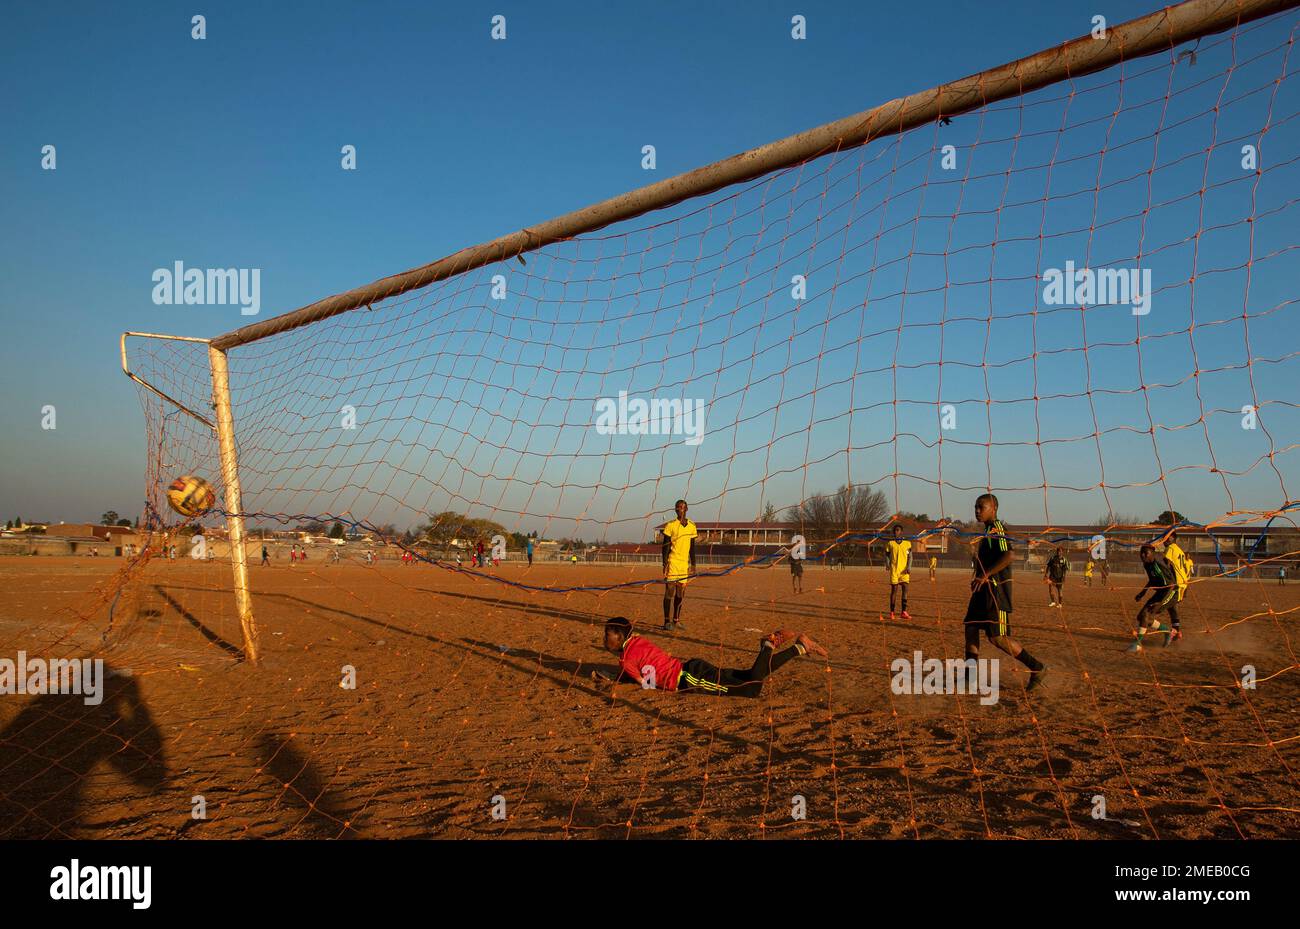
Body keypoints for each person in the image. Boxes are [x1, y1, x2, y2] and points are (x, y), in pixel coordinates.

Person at [597, 617, 826, 697]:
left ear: (619, 636)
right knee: (748, 675)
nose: (605, 639)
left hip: (688, 679)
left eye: (608, 634)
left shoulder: (626, 659)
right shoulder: (637, 640)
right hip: (692, 667)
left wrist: (622, 676)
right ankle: (800, 648)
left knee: (751, 689)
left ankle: (769, 642)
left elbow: (647, 685)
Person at [963, 493, 1048, 692]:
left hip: (995, 592)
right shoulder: (987, 532)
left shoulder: (997, 529)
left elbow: (1009, 555)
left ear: (993, 508)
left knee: (997, 638)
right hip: (981, 591)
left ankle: (1037, 667)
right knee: (971, 628)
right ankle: (969, 677)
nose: (976, 510)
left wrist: (985, 576)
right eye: (975, 507)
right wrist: (978, 576)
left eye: (980, 507)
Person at [1128, 544, 1179, 652]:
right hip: (1161, 592)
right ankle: (1168, 632)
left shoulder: (1158, 564)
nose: (1142, 555)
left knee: (1146, 615)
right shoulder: (1147, 564)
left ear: (1152, 554)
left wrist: (1160, 603)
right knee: (1141, 617)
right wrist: (1142, 593)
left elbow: (1171, 586)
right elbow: (1152, 580)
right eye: (1141, 553)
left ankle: (1137, 644)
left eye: (1145, 553)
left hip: (1171, 593)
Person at [661, 499, 697, 632]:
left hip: (683, 564)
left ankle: (676, 620)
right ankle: (666, 621)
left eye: (682, 507)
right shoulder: (670, 525)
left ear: (686, 509)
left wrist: (693, 564)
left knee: (680, 594)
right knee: (669, 592)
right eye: (677, 507)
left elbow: (692, 548)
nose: (680, 509)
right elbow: (665, 547)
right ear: (675, 510)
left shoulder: (692, 526)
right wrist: (664, 563)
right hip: (673, 562)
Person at [1163, 530, 1193, 625]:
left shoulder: (1170, 548)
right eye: (1164, 537)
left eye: (1168, 537)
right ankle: (1176, 629)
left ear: (1173, 538)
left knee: (1161, 606)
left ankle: (1174, 630)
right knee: (1173, 606)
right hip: (1183, 582)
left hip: (1177, 582)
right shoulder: (1179, 550)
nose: (1165, 539)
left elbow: (1168, 565)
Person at [886, 525, 912, 620]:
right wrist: (887, 564)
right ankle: (892, 612)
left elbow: (910, 557)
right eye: (895, 531)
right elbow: (887, 555)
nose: (896, 532)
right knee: (894, 590)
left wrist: (909, 567)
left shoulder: (907, 543)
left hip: (904, 570)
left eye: (898, 530)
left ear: (901, 531)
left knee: (905, 589)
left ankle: (903, 612)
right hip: (894, 570)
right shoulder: (890, 543)